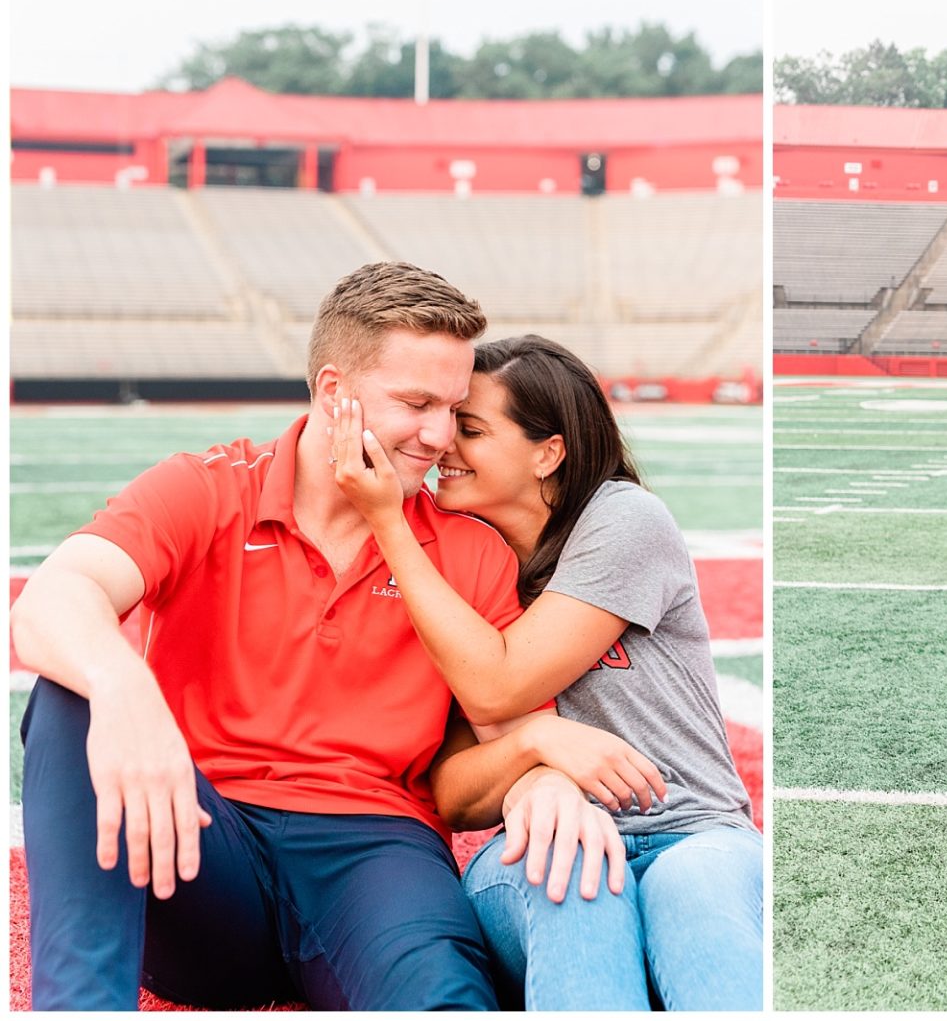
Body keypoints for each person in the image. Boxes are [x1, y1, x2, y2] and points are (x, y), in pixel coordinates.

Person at [11, 262, 614, 1010]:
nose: (438, 438)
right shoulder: (207, 488)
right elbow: (51, 599)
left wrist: (545, 778)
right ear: (335, 392)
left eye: (453, 409)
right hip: (202, 851)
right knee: (72, 695)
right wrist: (123, 681)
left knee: (443, 997)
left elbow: (515, 728)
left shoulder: (470, 550)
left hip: (374, 856)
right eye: (417, 403)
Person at [331, 333, 763, 1011]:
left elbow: (498, 683)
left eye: (469, 428)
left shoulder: (622, 519)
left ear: (548, 452)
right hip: (541, 845)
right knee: (577, 878)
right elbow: (454, 791)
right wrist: (533, 749)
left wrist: (389, 523)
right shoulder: (458, 571)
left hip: (695, 830)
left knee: (695, 890)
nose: (445, 444)